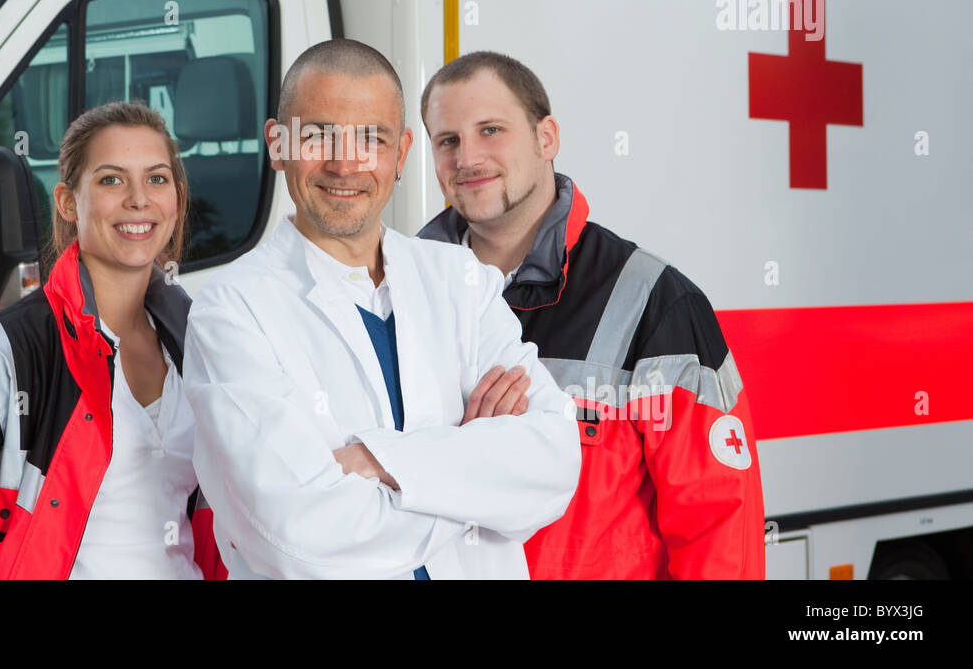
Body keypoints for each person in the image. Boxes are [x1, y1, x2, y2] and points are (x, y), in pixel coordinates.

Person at [182, 40, 581, 579]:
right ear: (278, 145)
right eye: (319, 134)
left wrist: (376, 461)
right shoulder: (231, 310)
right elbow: (298, 536)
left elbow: (553, 464)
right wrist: (475, 486)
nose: (346, 164)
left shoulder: (462, 281)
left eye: (371, 138)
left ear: (400, 154)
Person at [417, 51, 766, 579]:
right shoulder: (396, 294)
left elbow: (718, 526)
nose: (467, 157)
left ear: (546, 138)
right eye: (448, 140)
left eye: (491, 130)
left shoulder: (654, 302)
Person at [0, 101, 222, 579]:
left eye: (157, 179)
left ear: (177, 199)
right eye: (111, 179)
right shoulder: (7, 352)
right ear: (67, 201)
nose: (139, 199)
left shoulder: (201, 341)